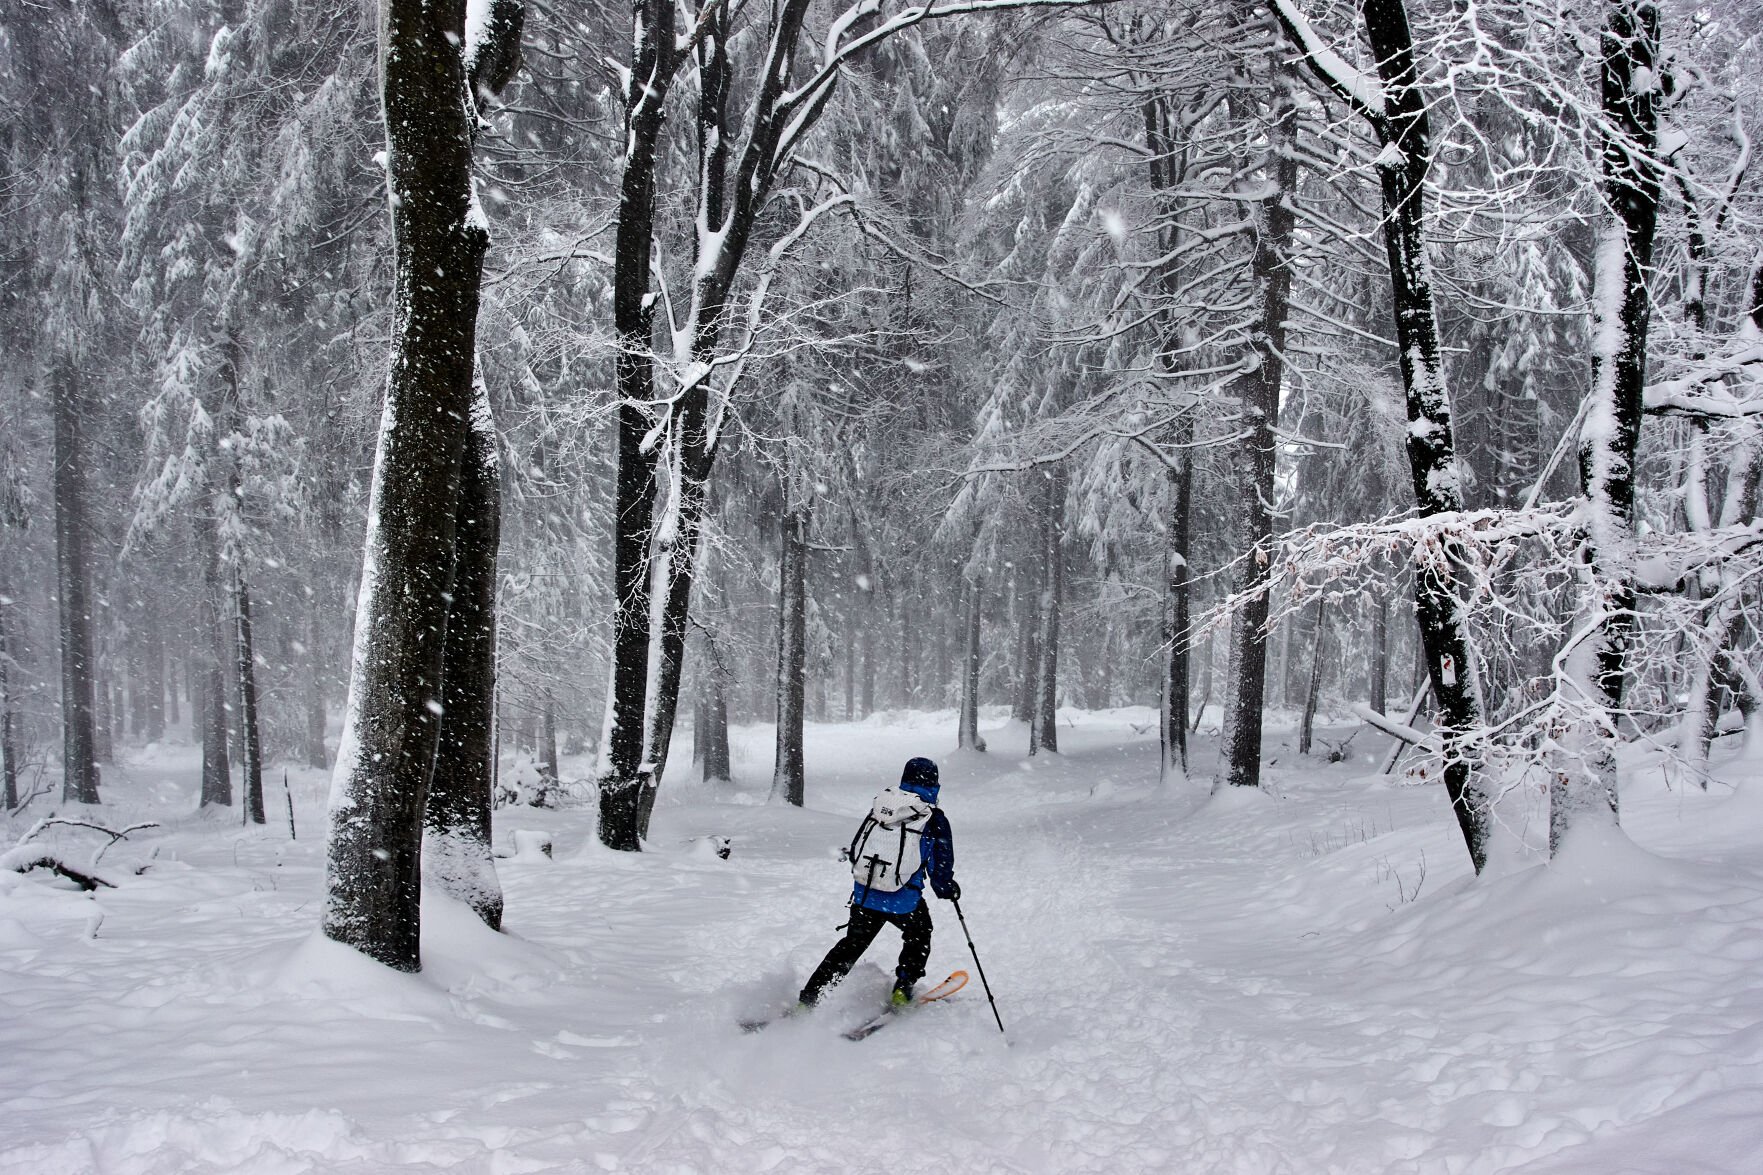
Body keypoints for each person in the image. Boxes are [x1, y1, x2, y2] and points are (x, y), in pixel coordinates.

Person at [799, 756, 960, 1008]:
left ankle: (809, 999)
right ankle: (903, 989)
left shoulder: (883, 806)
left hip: (866, 894)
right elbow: (940, 867)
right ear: (934, 783)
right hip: (903, 900)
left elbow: (857, 848)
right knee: (918, 934)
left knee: (850, 947)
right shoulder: (933, 818)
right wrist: (946, 888)